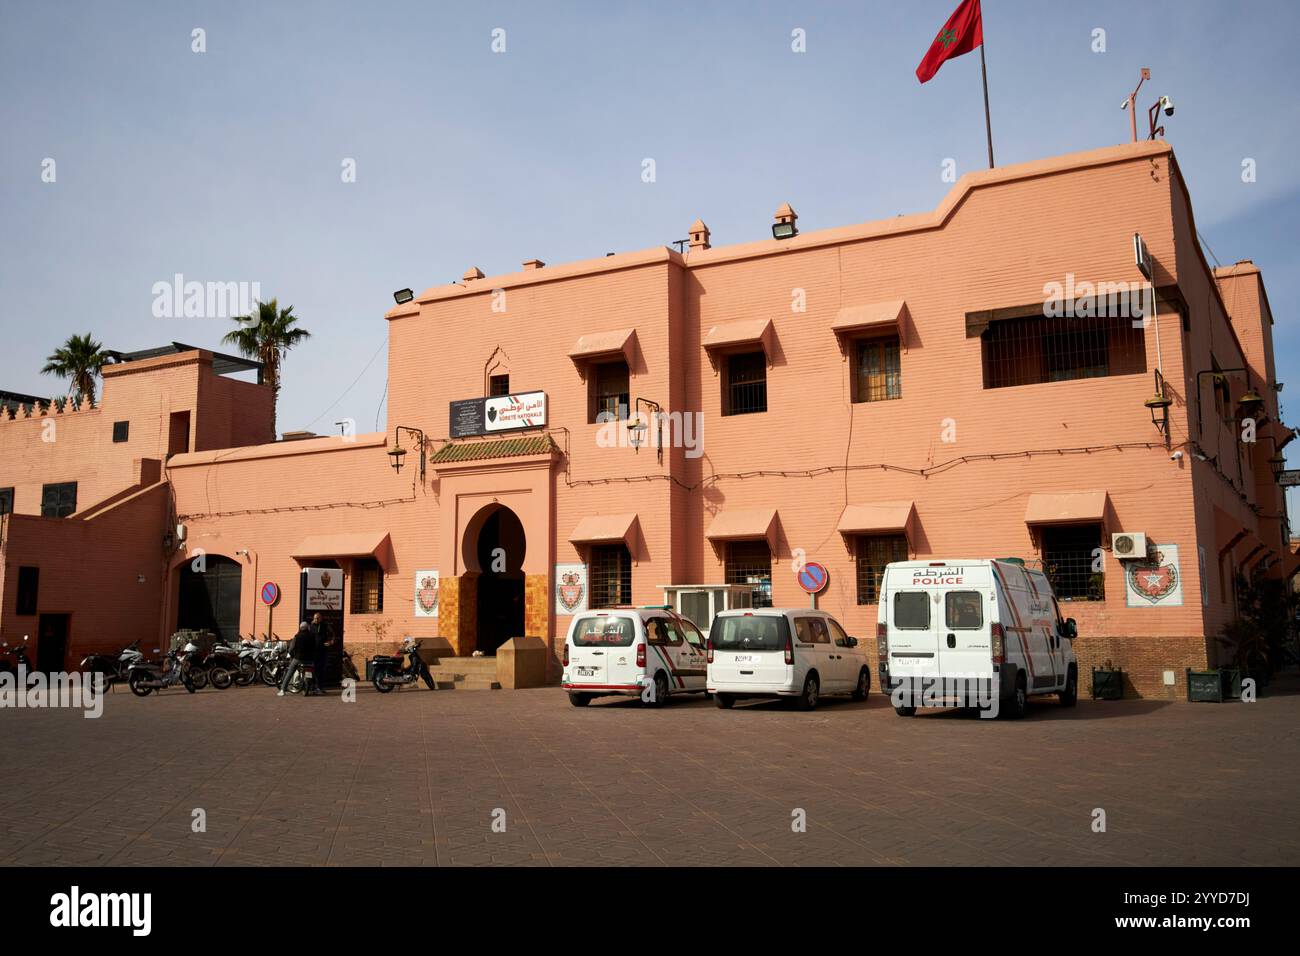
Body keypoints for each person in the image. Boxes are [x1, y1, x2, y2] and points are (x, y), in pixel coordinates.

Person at [278, 621, 317, 697]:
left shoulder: (297, 636)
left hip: (299, 658)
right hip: (310, 658)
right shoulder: (312, 636)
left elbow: (291, 649)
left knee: (290, 671)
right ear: (307, 628)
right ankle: (315, 688)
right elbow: (315, 646)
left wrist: (293, 656)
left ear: (300, 628)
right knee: (313, 672)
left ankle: (282, 689)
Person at [310, 612, 334, 696]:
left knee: (322, 670)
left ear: (321, 618)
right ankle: (314, 687)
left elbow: (332, 634)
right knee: (315, 670)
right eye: (315, 618)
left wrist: (330, 642)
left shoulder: (325, 626)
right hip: (314, 651)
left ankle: (321, 687)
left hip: (323, 651)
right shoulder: (310, 626)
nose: (316, 620)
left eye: (317, 618)